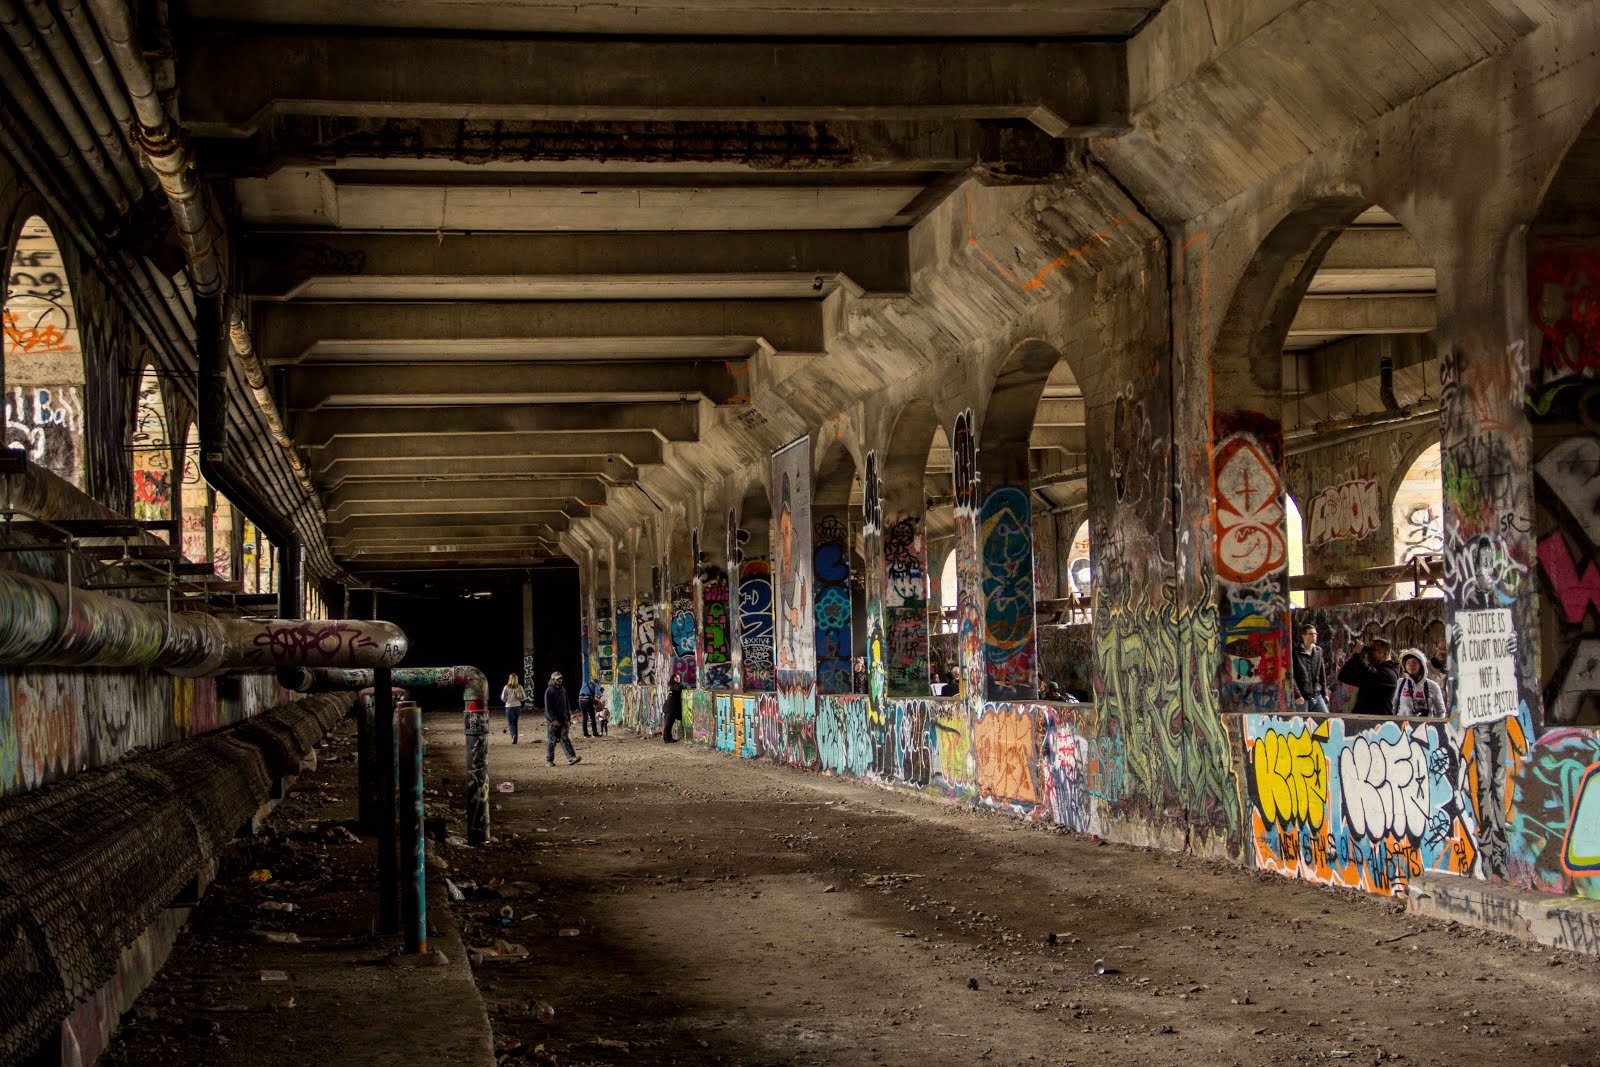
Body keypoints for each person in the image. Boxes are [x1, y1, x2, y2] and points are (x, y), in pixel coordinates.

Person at [1337, 637, 1401, 716]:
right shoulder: (1373, 672)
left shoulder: (1389, 674)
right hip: (1364, 720)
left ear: (1384, 654)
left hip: (1379, 723)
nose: (1369, 654)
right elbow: (1344, 675)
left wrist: (1357, 655)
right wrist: (1355, 656)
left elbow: (1368, 673)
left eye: (1373, 651)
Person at [1393, 648, 1446, 717]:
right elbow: (1393, 708)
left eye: (1414, 662)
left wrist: (1436, 726)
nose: (1411, 665)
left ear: (1422, 664)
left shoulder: (1433, 686)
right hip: (1403, 726)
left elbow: (1441, 711)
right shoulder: (1400, 684)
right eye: (1407, 663)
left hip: (1425, 726)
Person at [544, 671, 581, 767]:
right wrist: (553, 719)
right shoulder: (549, 691)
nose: (560, 680)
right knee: (552, 740)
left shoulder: (563, 690)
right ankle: (549, 760)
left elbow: (567, 705)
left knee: (564, 738)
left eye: (561, 678)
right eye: (558, 679)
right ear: (553, 680)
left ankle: (571, 757)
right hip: (553, 721)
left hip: (563, 719)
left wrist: (568, 719)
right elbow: (548, 708)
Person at [1291, 624, 1330, 714]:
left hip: (1316, 694)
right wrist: (1297, 695)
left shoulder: (1318, 651)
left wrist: (1325, 693)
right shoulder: (1296, 653)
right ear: (1303, 636)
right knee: (1302, 724)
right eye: (1311, 634)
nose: (1314, 636)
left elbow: (1321, 674)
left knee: (1326, 719)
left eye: (1315, 634)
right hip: (1303, 696)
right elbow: (1291, 676)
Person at [499, 673, 525, 744]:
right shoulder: (519, 687)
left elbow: (502, 698)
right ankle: (515, 737)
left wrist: (507, 699)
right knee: (515, 723)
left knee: (511, 723)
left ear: (509, 679)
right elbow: (524, 697)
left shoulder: (506, 687)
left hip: (509, 706)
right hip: (518, 706)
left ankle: (513, 736)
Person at [662, 673, 685, 743]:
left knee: (668, 724)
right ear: (673, 679)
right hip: (670, 708)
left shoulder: (671, 685)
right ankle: (668, 739)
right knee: (669, 724)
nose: (678, 679)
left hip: (668, 708)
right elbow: (679, 687)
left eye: (679, 678)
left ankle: (666, 738)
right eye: (676, 678)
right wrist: (683, 686)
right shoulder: (674, 685)